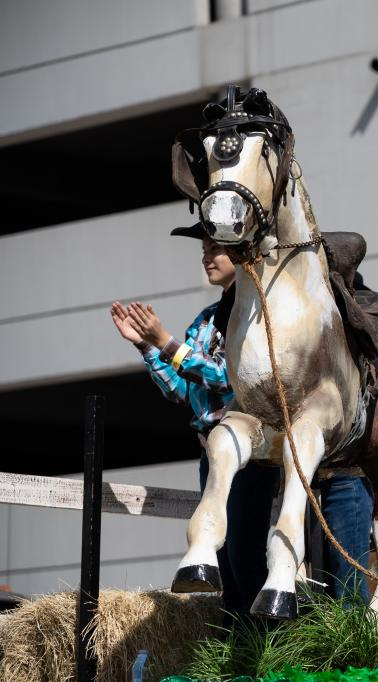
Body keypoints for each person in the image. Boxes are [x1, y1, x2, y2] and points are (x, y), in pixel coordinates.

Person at [109, 223, 279, 615]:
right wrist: (147, 346)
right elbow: (184, 392)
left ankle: (259, 650)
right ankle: (241, 647)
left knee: (243, 553)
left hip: (249, 449)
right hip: (211, 449)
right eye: (204, 248)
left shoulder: (255, 314)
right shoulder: (206, 319)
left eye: (215, 247)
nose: (206, 256)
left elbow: (229, 376)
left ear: (239, 253)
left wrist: (166, 342)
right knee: (223, 559)